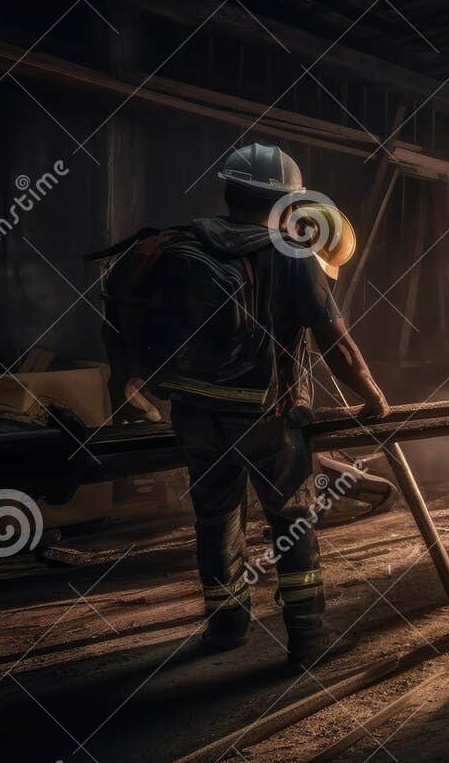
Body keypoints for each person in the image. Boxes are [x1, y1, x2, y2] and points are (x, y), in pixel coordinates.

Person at [96, 143, 388, 665]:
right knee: (291, 520)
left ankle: (227, 626)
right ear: (287, 203)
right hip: (267, 418)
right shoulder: (290, 253)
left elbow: (118, 316)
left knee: (215, 518)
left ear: (230, 190)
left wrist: (129, 384)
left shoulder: (179, 244)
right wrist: (373, 397)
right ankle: (308, 638)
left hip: (194, 413)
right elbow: (337, 345)